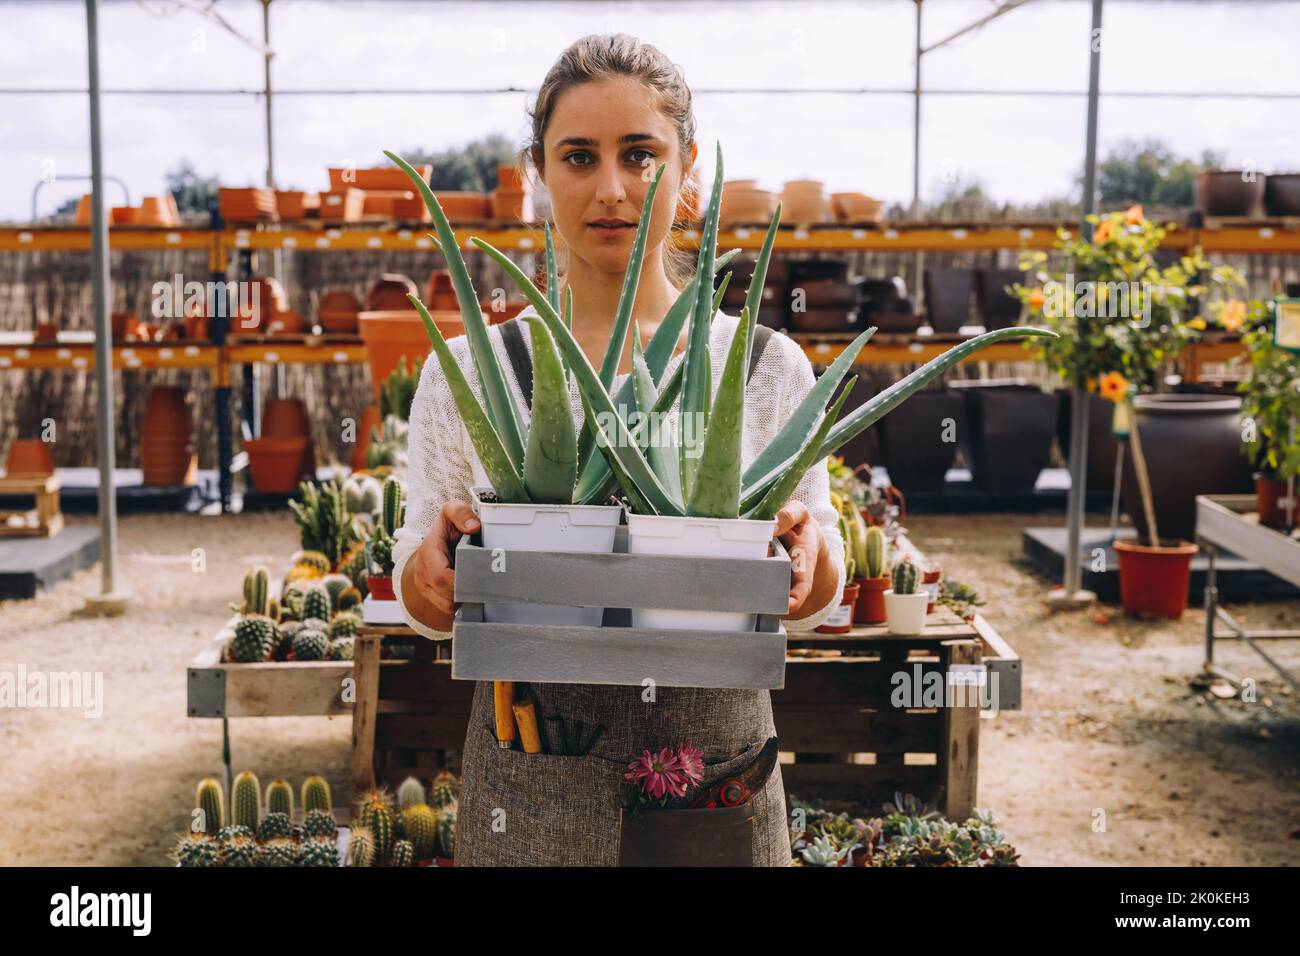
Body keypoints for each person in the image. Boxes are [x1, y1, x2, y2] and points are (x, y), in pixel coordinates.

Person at [392, 33, 845, 866]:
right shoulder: (471, 371)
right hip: (530, 792)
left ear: (689, 170)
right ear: (539, 174)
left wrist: (811, 562)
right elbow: (420, 583)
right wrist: (429, 573)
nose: (611, 189)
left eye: (640, 154)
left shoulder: (764, 366)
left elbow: (819, 567)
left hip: (717, 783)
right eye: (578, 157)